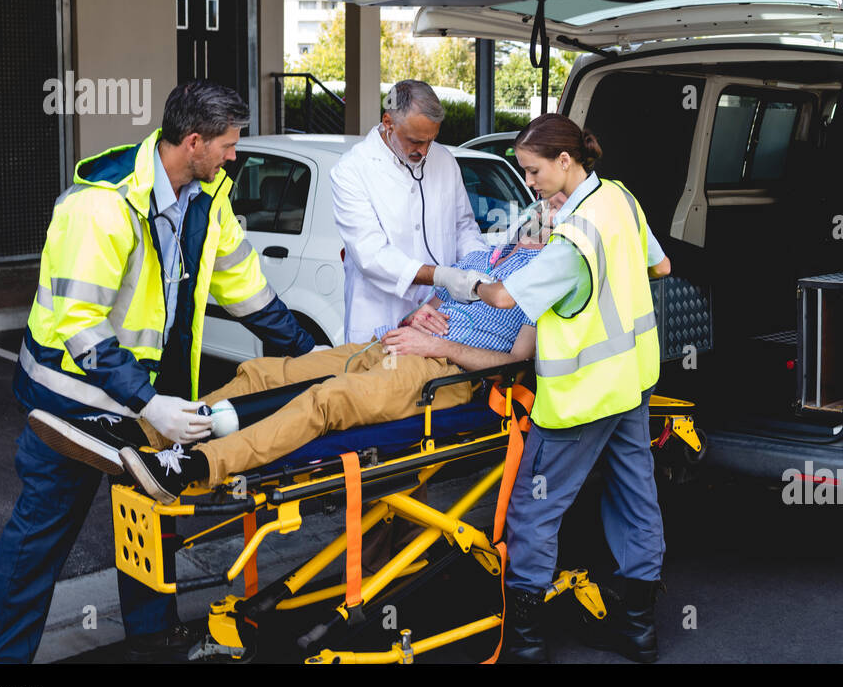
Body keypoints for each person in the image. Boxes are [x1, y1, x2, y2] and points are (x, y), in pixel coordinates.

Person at [0, 80, 316, 664]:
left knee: (150, 523)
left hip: (146, 400)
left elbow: (247, 291)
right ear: (192, 142)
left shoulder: (210, 195)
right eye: (229, 145)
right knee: (40, 540)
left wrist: (307, 355)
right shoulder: (100, 204)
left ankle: (153, 636)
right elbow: (81, 324)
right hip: (71, 403)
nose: (236, 156)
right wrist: (147, 401)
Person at [113, 213, 558, 501]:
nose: (544, 204)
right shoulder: (483, 253)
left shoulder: (549, 276)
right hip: (389, 344)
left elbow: (515, 364)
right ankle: (144, 432)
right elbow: (429, 308)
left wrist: (439, 346)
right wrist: (418, 317)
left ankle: (194, 465)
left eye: (558, 201)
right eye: (540, 194)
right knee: (263, 372)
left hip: (443, 374)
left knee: (328, 399)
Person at [474, 113, 671, 664]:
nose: (529, 183)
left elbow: (504, 299)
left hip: (583, 395)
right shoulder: (620, 199)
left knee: (534, 510)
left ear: (566, 161)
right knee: (636, 497)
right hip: (632, 382)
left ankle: (527, 644)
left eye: (533, 172)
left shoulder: (573, 237)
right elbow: (662, 266)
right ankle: (639, 631)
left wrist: (456, 280)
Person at [330, 79, 490, 344]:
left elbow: (463, 227)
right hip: (379, 316)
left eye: (431, 140)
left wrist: (478, 268)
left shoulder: (444, 160)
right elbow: (371, 254)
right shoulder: (351, 170)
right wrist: (441, 275)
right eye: (415, 141)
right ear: (388, 122)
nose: (425, 151)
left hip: (440, 317)